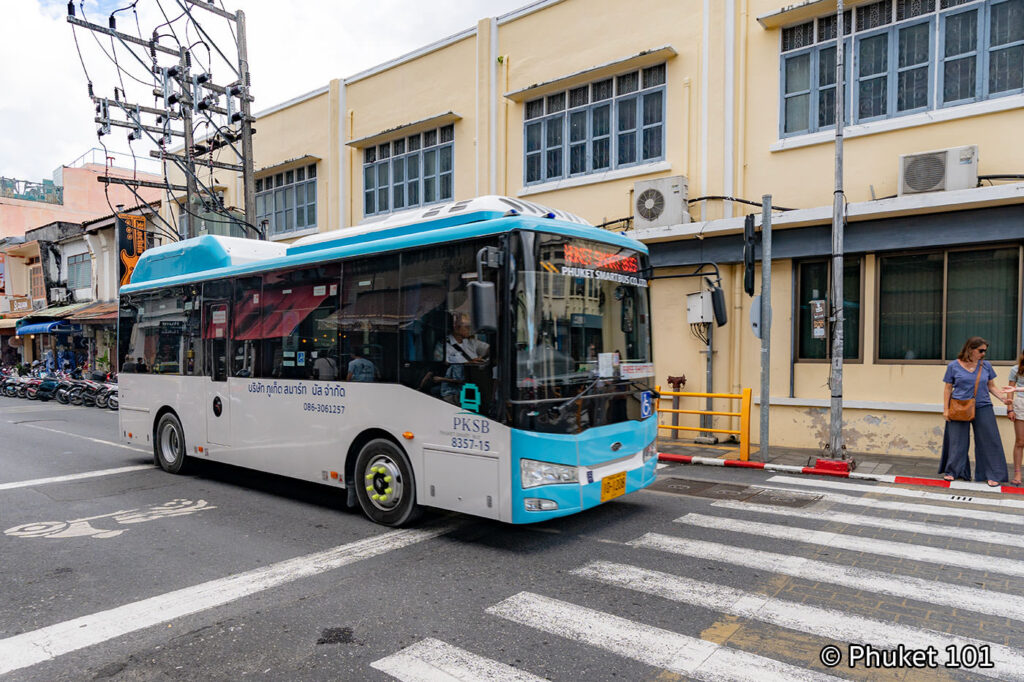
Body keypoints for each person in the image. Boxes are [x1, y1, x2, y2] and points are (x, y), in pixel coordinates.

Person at [939, 336, 1010, 486]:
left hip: (983, 406)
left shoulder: (986, 366)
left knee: (989, 441)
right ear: (970, 349)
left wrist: (1003, 399)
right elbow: (947, 388)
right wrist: (946, 410)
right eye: (981, 350)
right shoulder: (953, 366)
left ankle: (991, 474)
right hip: (959, 406)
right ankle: (954, 471)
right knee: (957, 441)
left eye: (985, 351)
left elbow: (991, 386)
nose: (984, 353)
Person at [1005, 348, 1024, 486]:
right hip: (1020, 405)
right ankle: (1017, 473)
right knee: (1020, 441)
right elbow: (1009, 390)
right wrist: (1009, 409)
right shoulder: (1016, 369)